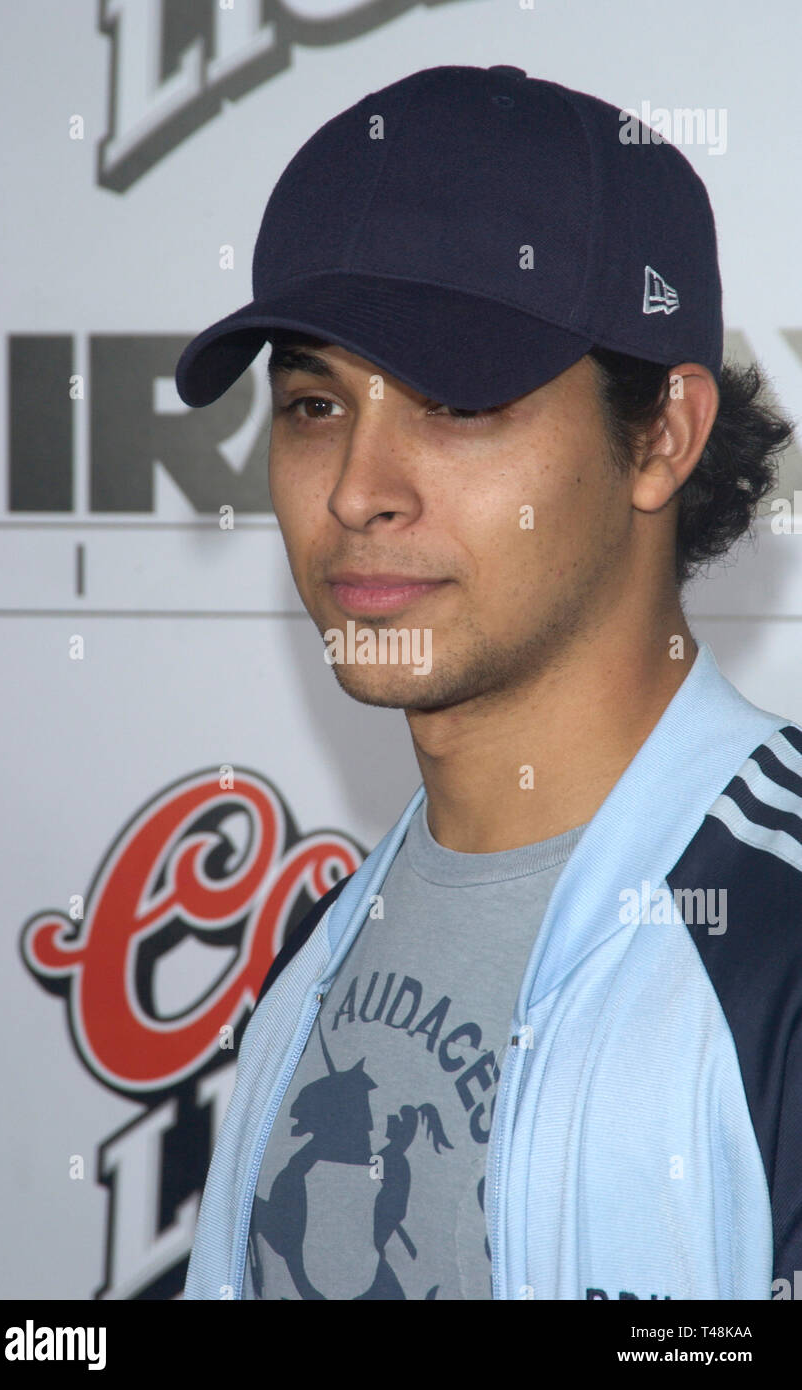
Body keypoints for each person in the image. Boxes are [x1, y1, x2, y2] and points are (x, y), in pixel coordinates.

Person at [175, 65, 798, 1300]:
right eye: (312, 402)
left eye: (454, 400)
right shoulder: (319, 958)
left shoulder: (776, 943)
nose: (356, 487)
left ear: (661, 434)